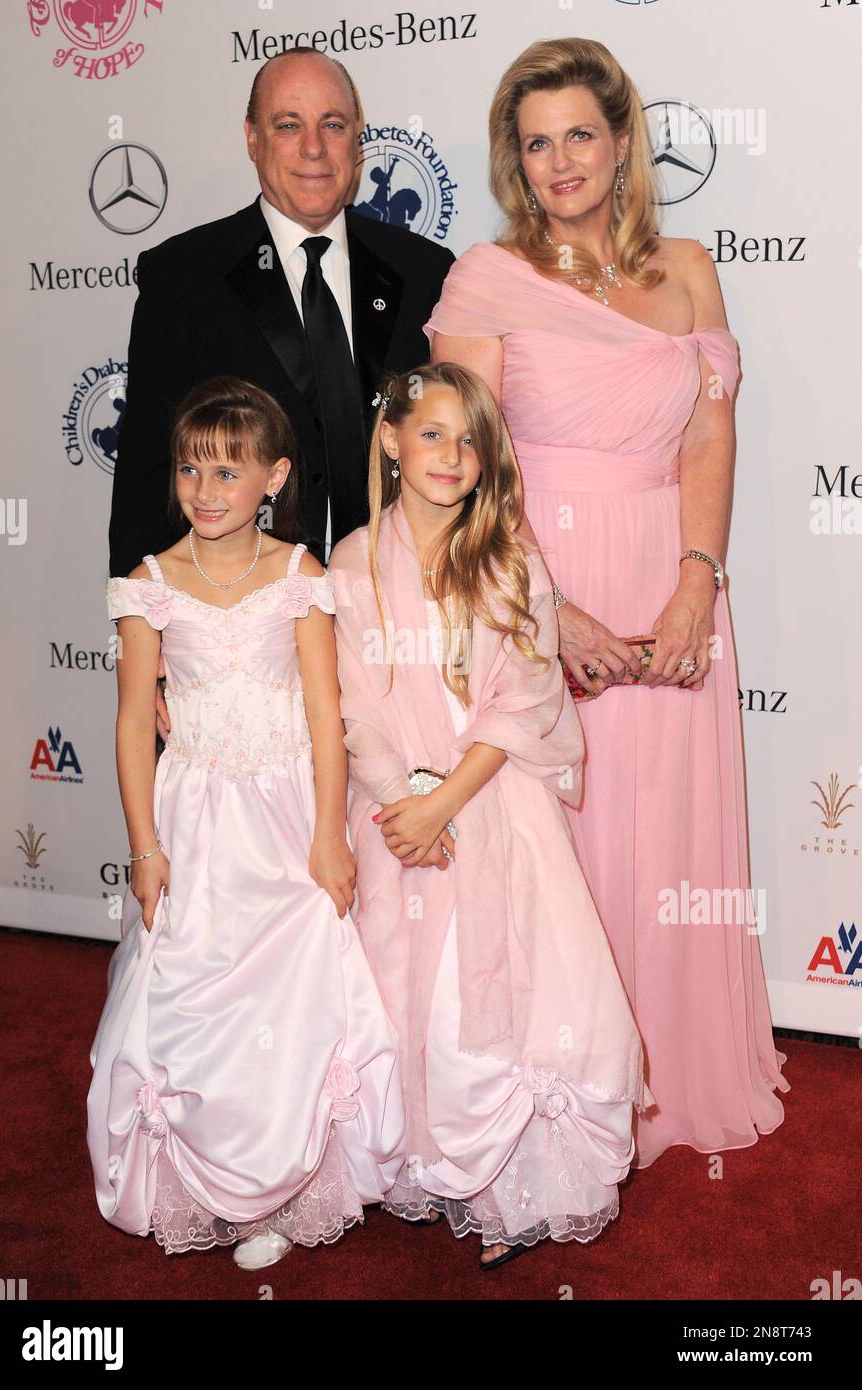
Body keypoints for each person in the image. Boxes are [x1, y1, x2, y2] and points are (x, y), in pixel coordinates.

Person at [425, 37, 789, 1169]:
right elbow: (464, 461)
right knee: (559, 844)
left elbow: (708, 429)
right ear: (512, 163)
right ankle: (559, 1093)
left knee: (665, 837)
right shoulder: (485, 280)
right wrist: (548, 607)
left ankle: (669, 1065)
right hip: (538, 584)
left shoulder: (685, 267)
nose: (560, 161)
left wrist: (697, 580)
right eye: (535, 144)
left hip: (669, 581)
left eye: (580, 133)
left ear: (622, 140)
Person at [329, 362, 650, 1270]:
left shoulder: (509, 556)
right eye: (430, 433)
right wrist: (401, 803)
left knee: (503, 991)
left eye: (469, 441)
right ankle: (419, 1169)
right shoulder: (353, 562)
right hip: (393, 818)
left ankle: (519, 1183)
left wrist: (443, 801)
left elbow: (523, 697)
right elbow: (351, 705)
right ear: (390, 441)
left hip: (490, 801)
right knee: (403, 992)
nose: (451, 455)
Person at [88, 377, 404, 1269]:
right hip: (192, 817)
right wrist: (144, 847)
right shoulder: (148, 585)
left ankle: (280, 1187)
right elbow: (127, 722)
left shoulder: (300, 577)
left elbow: (324, 719)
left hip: (289, 815)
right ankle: (201, 1182)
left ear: (274, 479)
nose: (204, 490)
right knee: (189, 990)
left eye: (227, 473)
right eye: (190, 469)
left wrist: (331, 834)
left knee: (295, 998)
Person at [108, 45, 454, 579]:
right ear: (252, 137)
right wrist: (143, 623)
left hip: (399, 605)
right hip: (245, 616)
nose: (314, 148)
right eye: (289, 125)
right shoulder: (184, 278)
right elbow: (146, 468)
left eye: (332, 124)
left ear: (357, 136)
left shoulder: (425, 271)